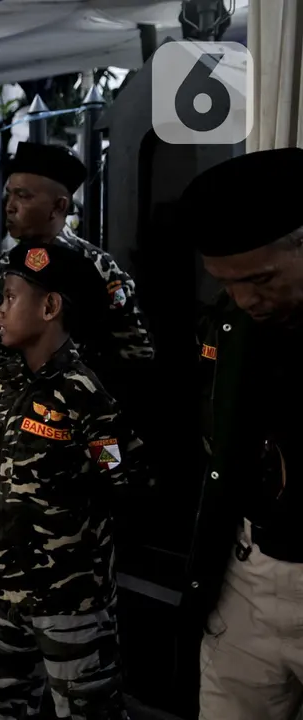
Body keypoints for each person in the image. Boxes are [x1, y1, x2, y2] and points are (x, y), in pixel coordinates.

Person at [0, 241, 139, 720]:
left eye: (11, 297)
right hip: (7, 592)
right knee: (4, 706)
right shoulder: (10, 376)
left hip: (70, 602)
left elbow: (123, 480)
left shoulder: (85, 393)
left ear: (50, 307)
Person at [184, 148, 303, 720]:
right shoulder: (233, 321)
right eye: (227, 283)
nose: (246, 298)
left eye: (260, 279)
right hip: (248, 568)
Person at [0, 142, 153, 397]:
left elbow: (133, 352)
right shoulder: (7, 262)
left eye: (23, 196)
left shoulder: (96, 265)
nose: (10, 206)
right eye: (9, 194)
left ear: (59, 206)